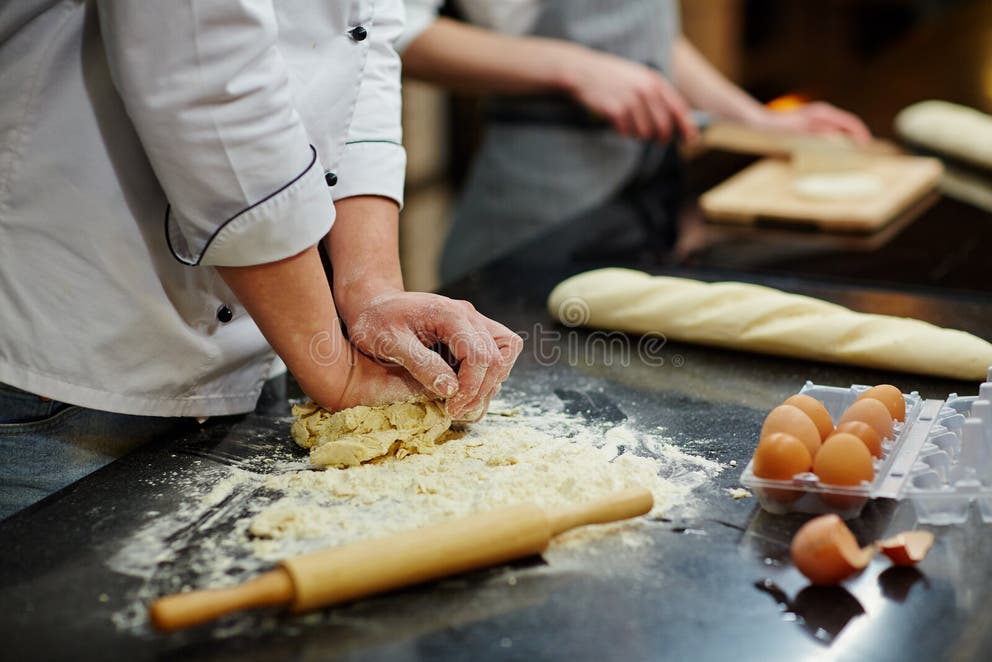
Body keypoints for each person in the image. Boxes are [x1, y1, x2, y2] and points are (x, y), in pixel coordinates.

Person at [0, 1, 521, 519]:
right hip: (70, 359)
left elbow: (359, 43)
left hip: (270, 337)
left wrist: (372, 289)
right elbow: (207, 80)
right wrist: (333, 368)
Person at [398, 0, 872, 282]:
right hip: (543, 204)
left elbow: (644, 35)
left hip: (648, 189)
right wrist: (574, 67)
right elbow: (394, 29)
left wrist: (754, 120)